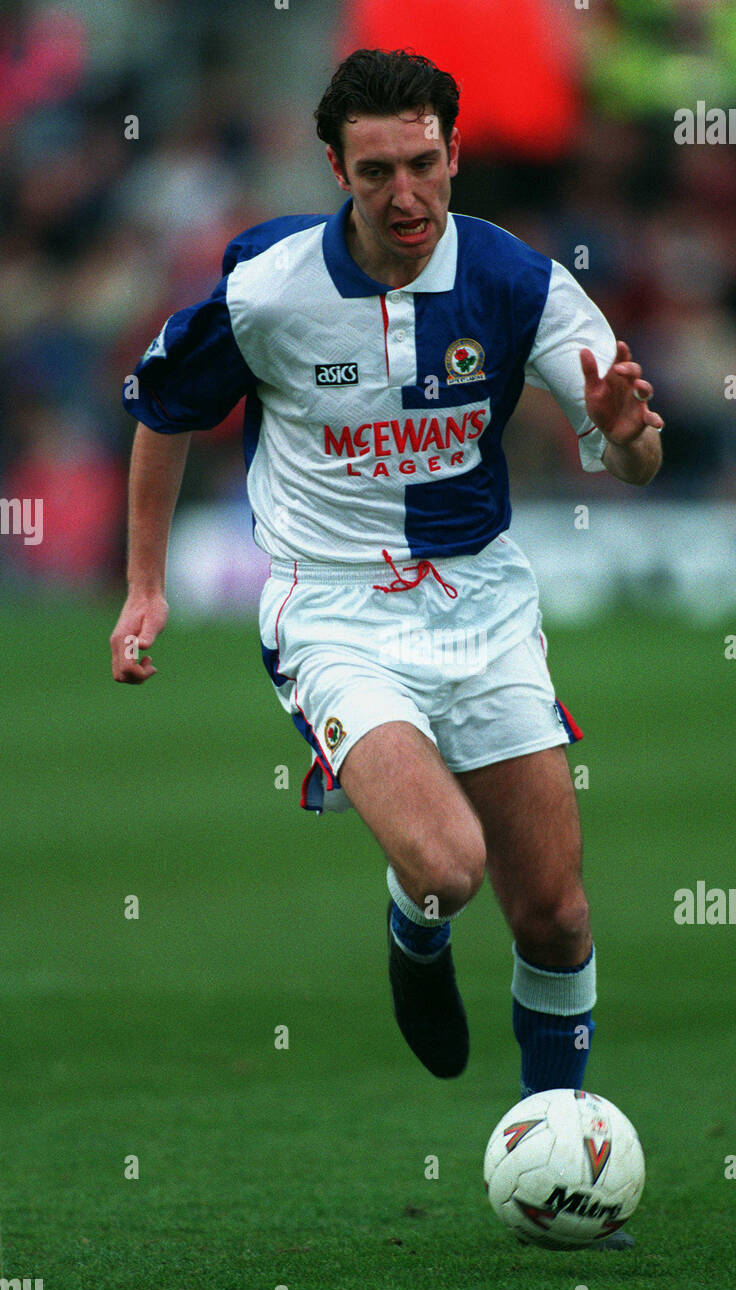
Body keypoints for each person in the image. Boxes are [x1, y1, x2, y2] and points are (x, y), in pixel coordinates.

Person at [111, 49, 662, 1136]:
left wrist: (627, 432)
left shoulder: (517, 283)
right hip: (335, 609)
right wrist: (143, 588)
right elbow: (165, 410)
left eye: (422, 163)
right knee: (447, 867)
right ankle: (417, 933)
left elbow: (637, 458)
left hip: (484, 603)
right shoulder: (269, 286)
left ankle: (556, 1149)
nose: (403, 195)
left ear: (454, 153)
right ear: (334, 168)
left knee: (552, 912)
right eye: (374, 173)